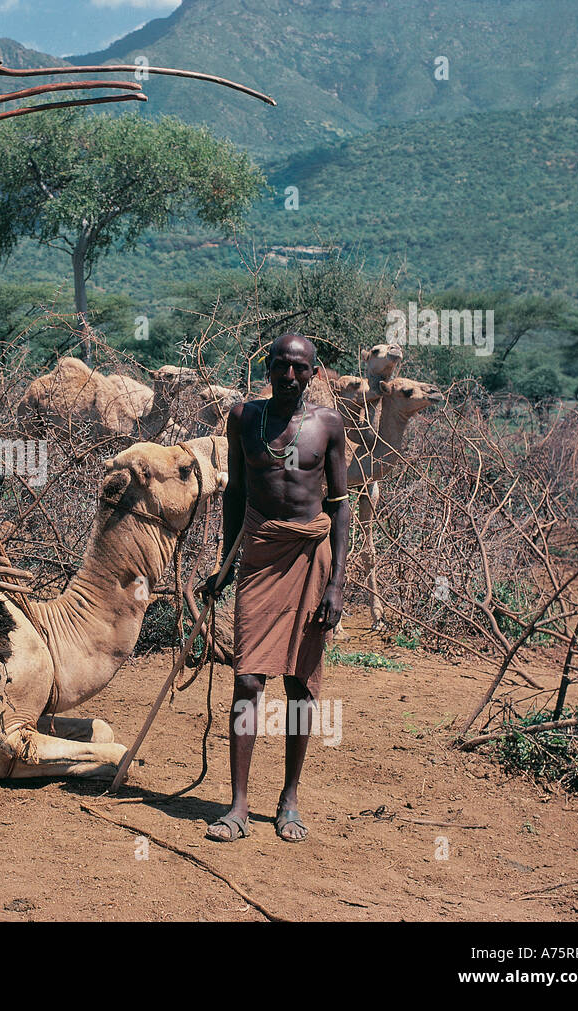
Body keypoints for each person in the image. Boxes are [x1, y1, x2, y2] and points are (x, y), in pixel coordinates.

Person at [201, 333, 349, 842]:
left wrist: (337, 585)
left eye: (299, 368)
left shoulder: (329, 425)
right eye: (281, 366)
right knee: (247, 680)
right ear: (268, 367)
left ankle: (289, 800)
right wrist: (224, 567)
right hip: (261, 556)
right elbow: (237, 495)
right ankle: (238, 806)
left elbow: (340, 504)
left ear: (314, 372)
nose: (289, 376)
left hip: (312, 556)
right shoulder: (243, 418)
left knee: (300, 686)